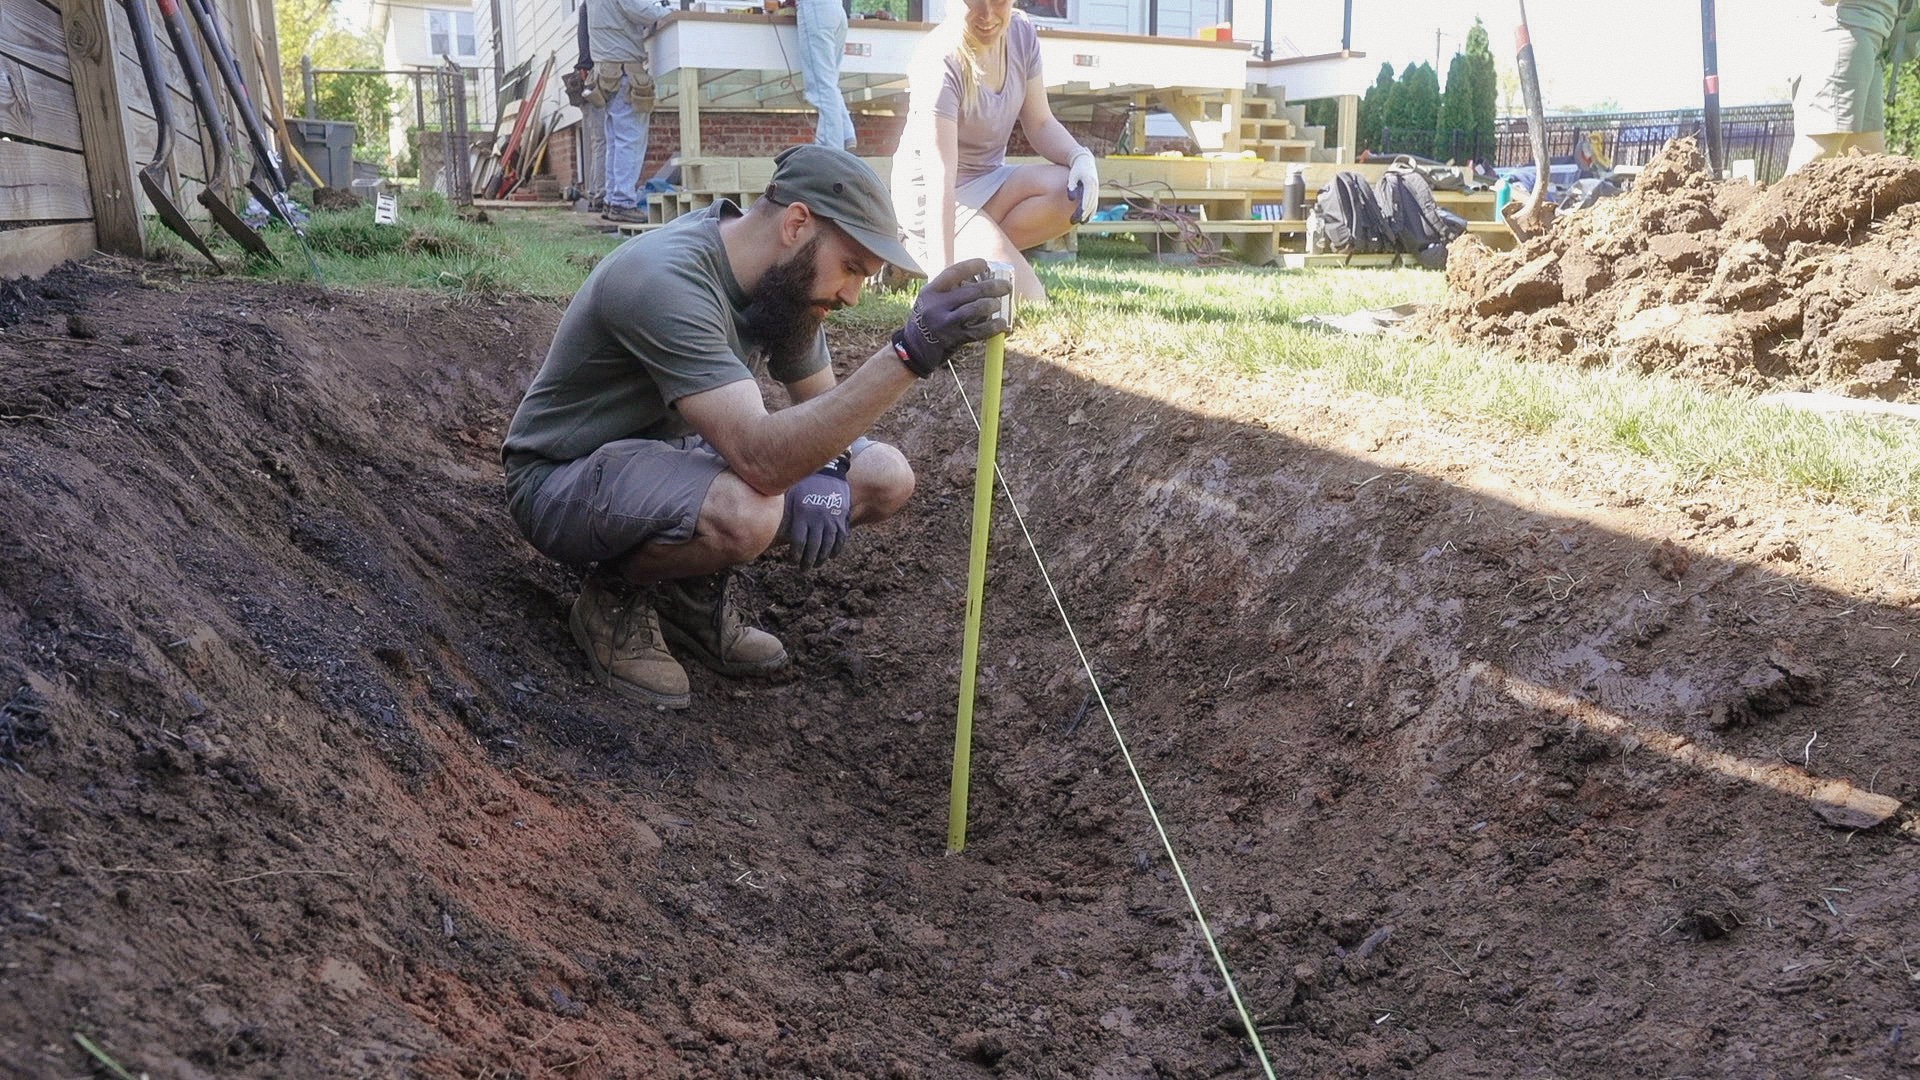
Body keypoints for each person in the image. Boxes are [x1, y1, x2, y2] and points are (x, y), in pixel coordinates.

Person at [501, 145, 1011, 709]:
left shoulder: (786, 287)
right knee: (750, 510)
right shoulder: (666, 280)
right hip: (561, 481)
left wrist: (835, 467)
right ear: (797, 224)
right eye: (851, 268)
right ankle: (615, 596)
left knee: (884, 474)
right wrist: (909, 354)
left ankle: (685, 595)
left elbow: (824, 409)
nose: (852, 295)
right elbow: (760, 459)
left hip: (665, 463)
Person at [891, 0, 1099, 302]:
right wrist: (940, 286)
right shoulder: (939, 60)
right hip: (934, 194)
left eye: (998, 0)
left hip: (988, 179)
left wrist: (1080, 157)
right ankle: (922, 249)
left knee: (1069, 190)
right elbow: (940, 178)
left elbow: (1040, 122)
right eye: (973, 2)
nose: (987, 15)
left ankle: (976, 248)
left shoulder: (1022, 31)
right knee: (1029, 298)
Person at [1785, 0, 1918, 173]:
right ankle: (1780, 200)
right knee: (1817, 154)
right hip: (1847, 30)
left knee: (1870, 163)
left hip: (1876, 35)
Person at [587, 0, 670, 223]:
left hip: (608, 70)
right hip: (623, 69)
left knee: (615, 140)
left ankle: (613, 199)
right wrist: (667, 11)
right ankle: (623, 202)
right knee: (630, 139)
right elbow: (641, 10)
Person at [796, 0, 857, 151]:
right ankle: (846, 133)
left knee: (822, 88)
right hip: (837, 11)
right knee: (829, 83)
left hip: (816, 10)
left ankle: (832, 149)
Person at [565, 1, 607, 211]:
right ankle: (599, 193)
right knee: (602, 141)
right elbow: (586, 35)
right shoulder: (590, 6)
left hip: (587, 75)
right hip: (592, 76)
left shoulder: (587, 7)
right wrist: (586, 64)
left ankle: (595, 192)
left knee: (599, 141)